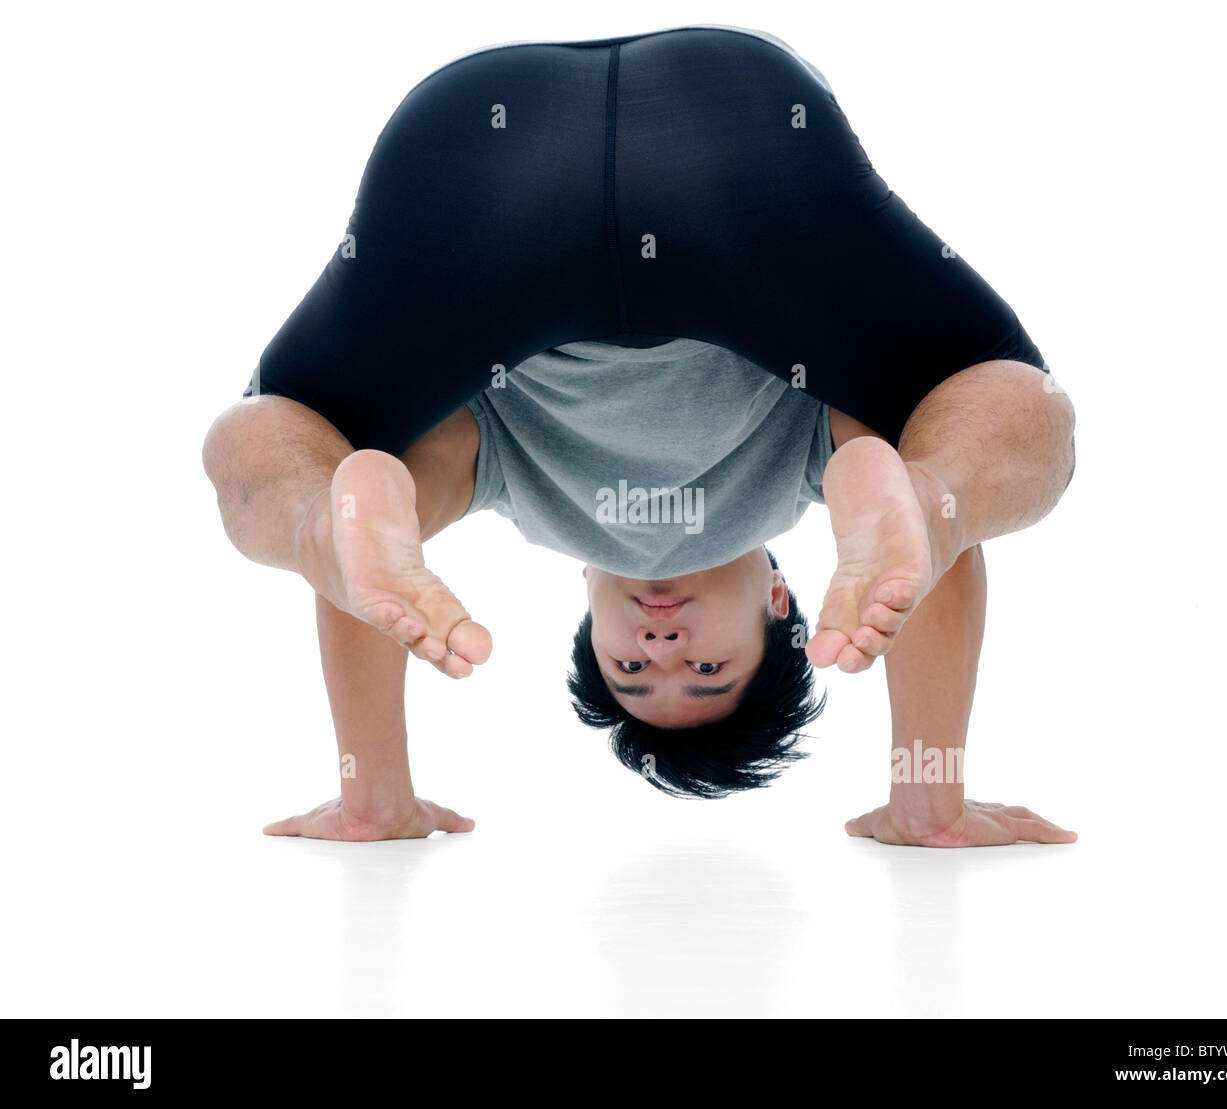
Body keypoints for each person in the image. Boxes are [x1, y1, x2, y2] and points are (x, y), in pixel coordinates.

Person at [202, 25, 1077, 846]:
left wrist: (373, 794)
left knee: (312, 451)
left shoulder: (529, 496)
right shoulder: (813, 471)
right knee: (990, 402)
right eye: (707, 673)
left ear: (588, 601)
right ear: (780, 601)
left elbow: (403, 511)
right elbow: (896, 453)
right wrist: (931, 792)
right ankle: (930, 510)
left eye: (629, 670)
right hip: (736, 149)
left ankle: (322, 530)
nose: (663, 649)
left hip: (482, 171)